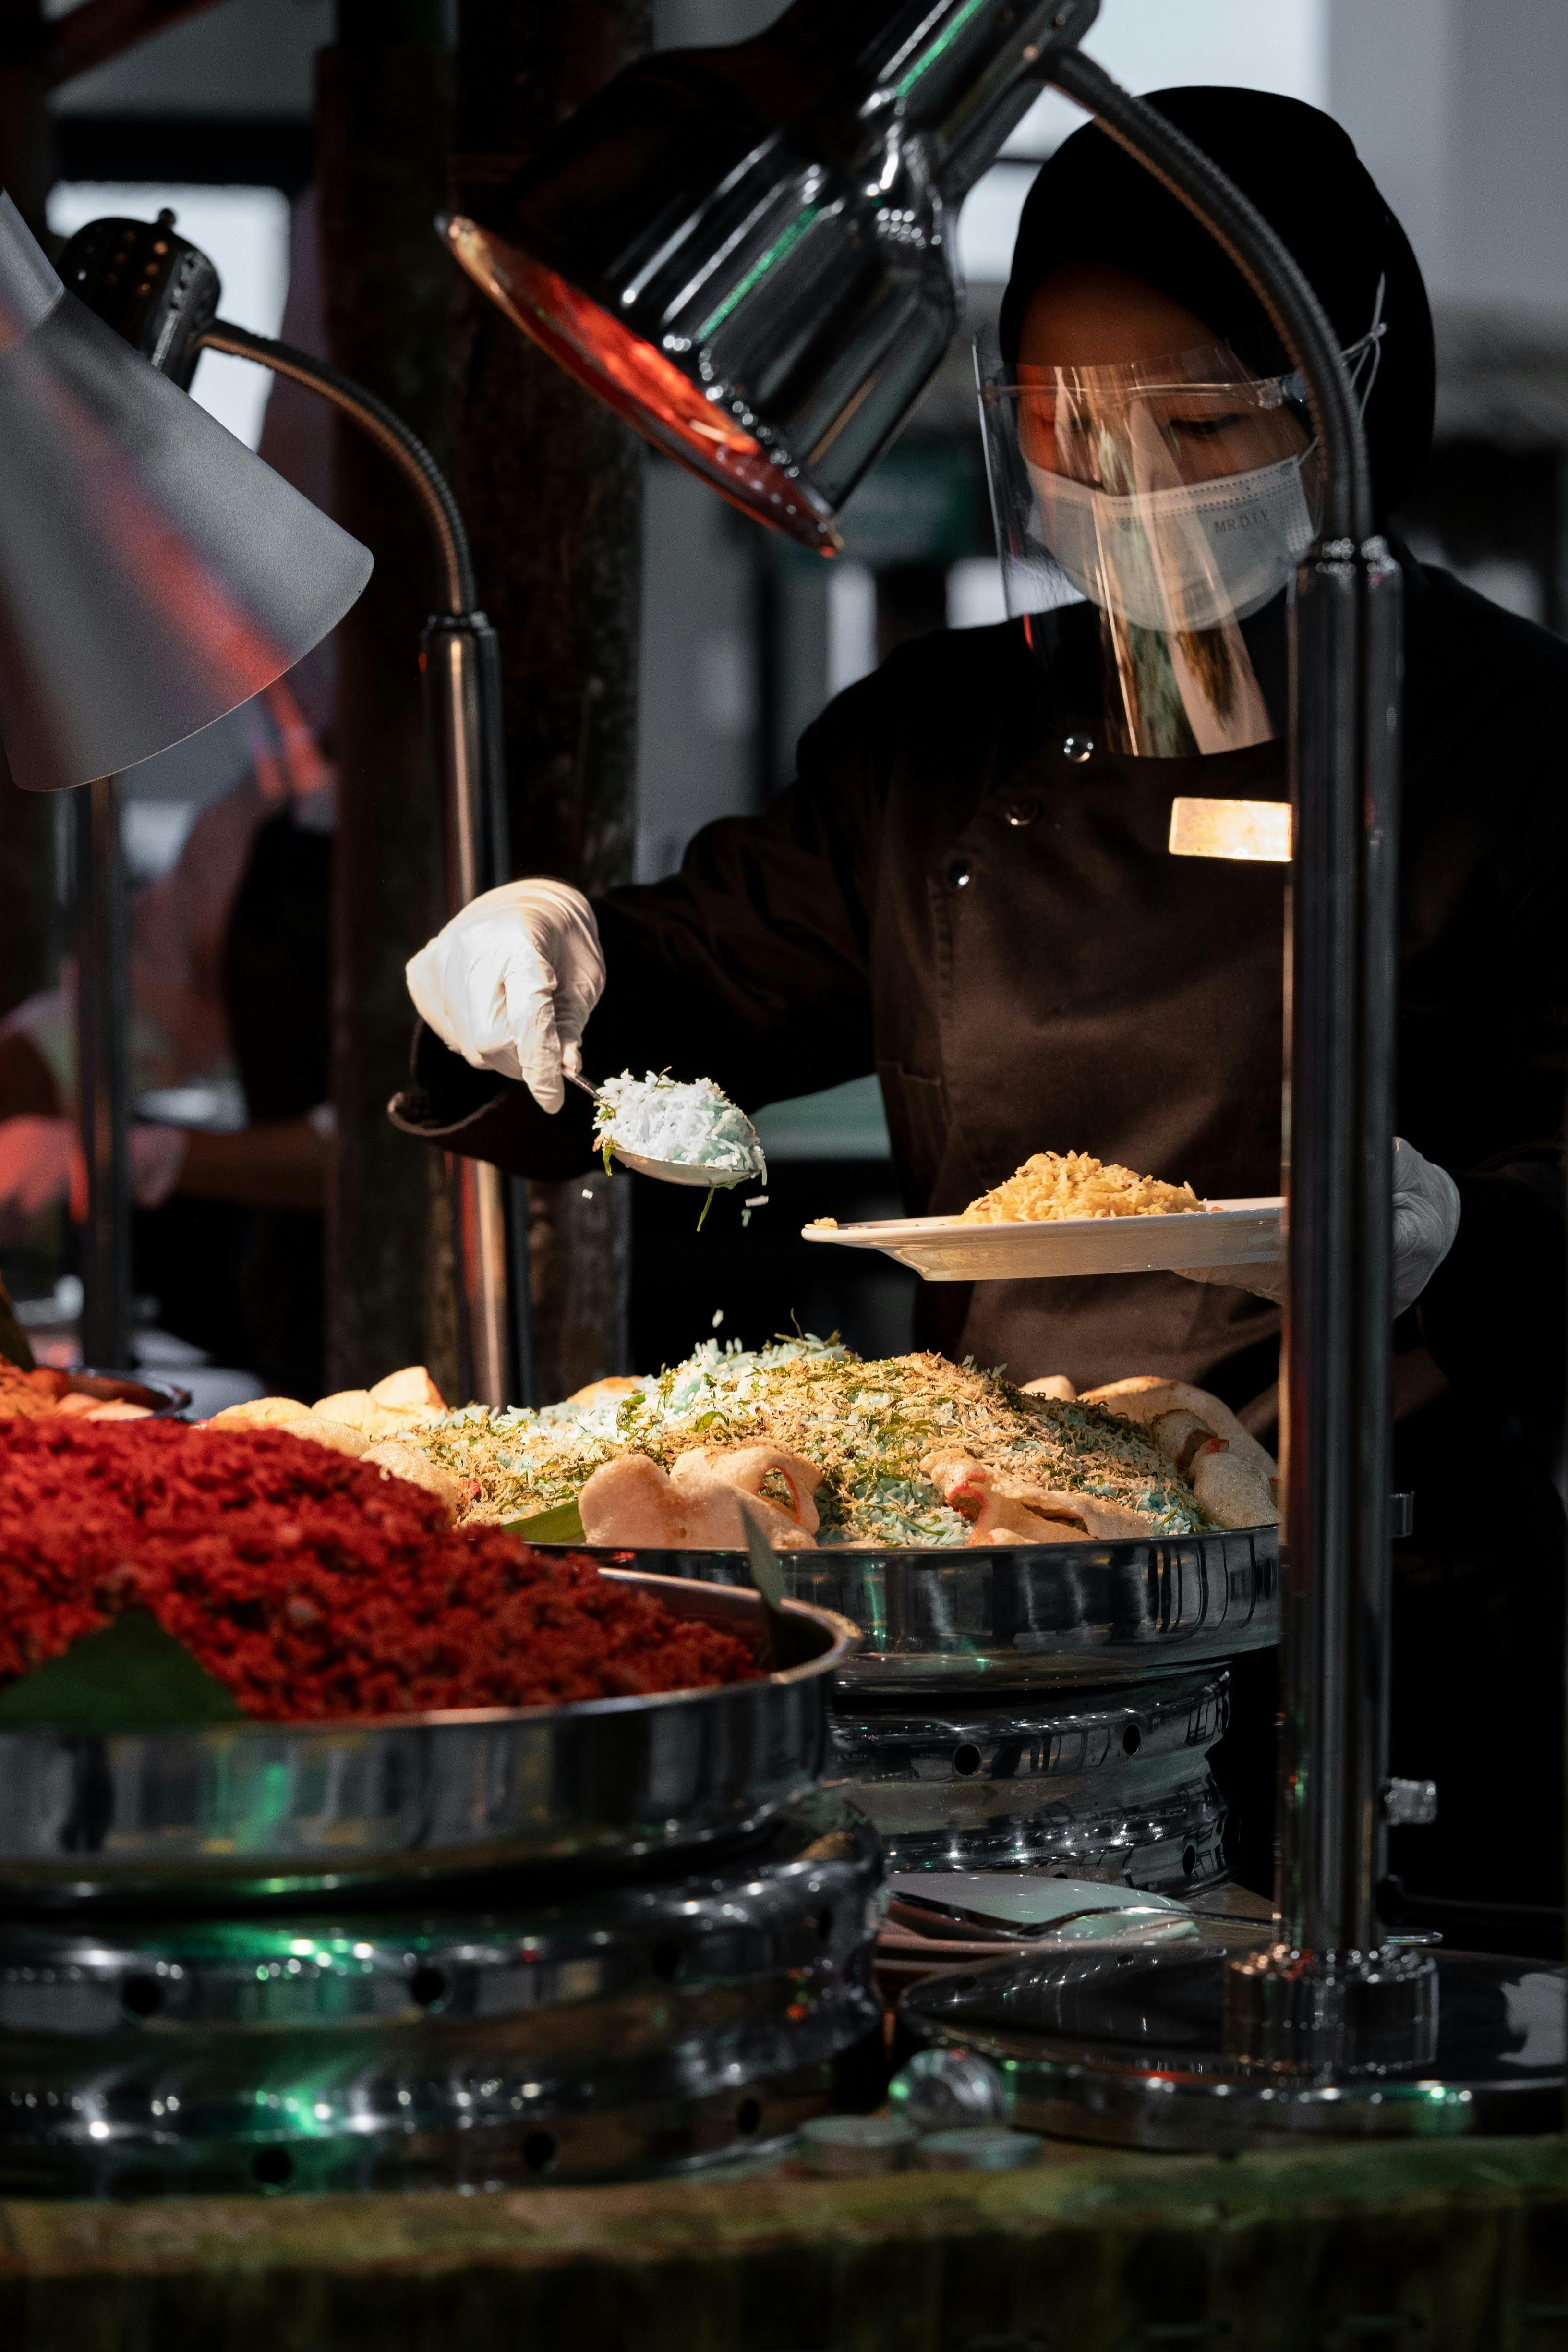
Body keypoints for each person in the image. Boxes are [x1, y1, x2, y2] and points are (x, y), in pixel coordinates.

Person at [391, 92, 1568, 1931]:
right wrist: (551, 965)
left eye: (1194, 424)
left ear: (1350, 397)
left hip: (1395, 1618)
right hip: (1012, 1607)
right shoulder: (932, 747)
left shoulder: (1527, 750)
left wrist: (1458, 1235)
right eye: (1069, 431)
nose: (1135, 483)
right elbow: (708, 976)